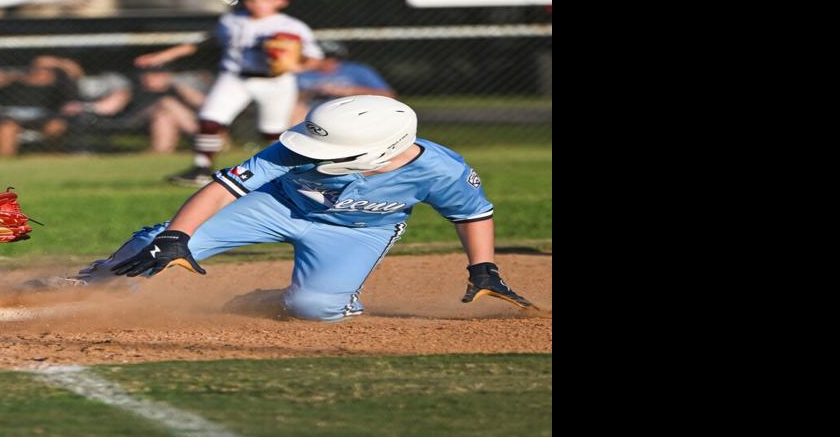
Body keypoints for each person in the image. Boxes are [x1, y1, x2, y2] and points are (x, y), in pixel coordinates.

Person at [70, 96, 535, 321]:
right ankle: (96, 277)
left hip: (357, 231)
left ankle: (266, 301)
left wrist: (484, 270)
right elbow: (223, 188)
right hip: (274, 206)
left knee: (316, 309)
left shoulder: (441, 170)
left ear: (380, 150)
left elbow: (471, 214)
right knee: (160, 242)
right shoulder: (297, 147)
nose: (308, 155)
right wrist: (175, 238)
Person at [134, 0, 323, 186]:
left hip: (275, 81)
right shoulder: (232, 20)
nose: (258, 3)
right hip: (235, 77)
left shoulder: (291, 26)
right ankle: (201, 168)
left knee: (273, 131)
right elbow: (207, 41)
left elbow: (314, 58)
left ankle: (286, 173)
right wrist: (163, 56)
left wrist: (298, 66)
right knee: (210, 119)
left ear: (281, 1)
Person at [62, 67, 207, 154]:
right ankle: (204, 136)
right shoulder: (132, 88)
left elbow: (203, 103)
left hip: (166, 120)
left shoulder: (177, 87)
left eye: (157, 74)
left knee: (164, 115)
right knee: (166, 103)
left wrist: (179, 85)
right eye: (147, 74)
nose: (151, 78)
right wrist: (85, 107)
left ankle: (161, 153)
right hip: (136, 120)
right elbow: (110, 107)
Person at [291, 43, 395, 123]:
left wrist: (347, 91)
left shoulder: (357, 70)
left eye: (334, 58)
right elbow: (287, 100)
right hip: (311, 115)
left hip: (351, 113)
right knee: (297, 109)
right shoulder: (301, 72)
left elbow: (388, 95)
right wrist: (310, 92)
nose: (330, 61)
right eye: (323, 58)